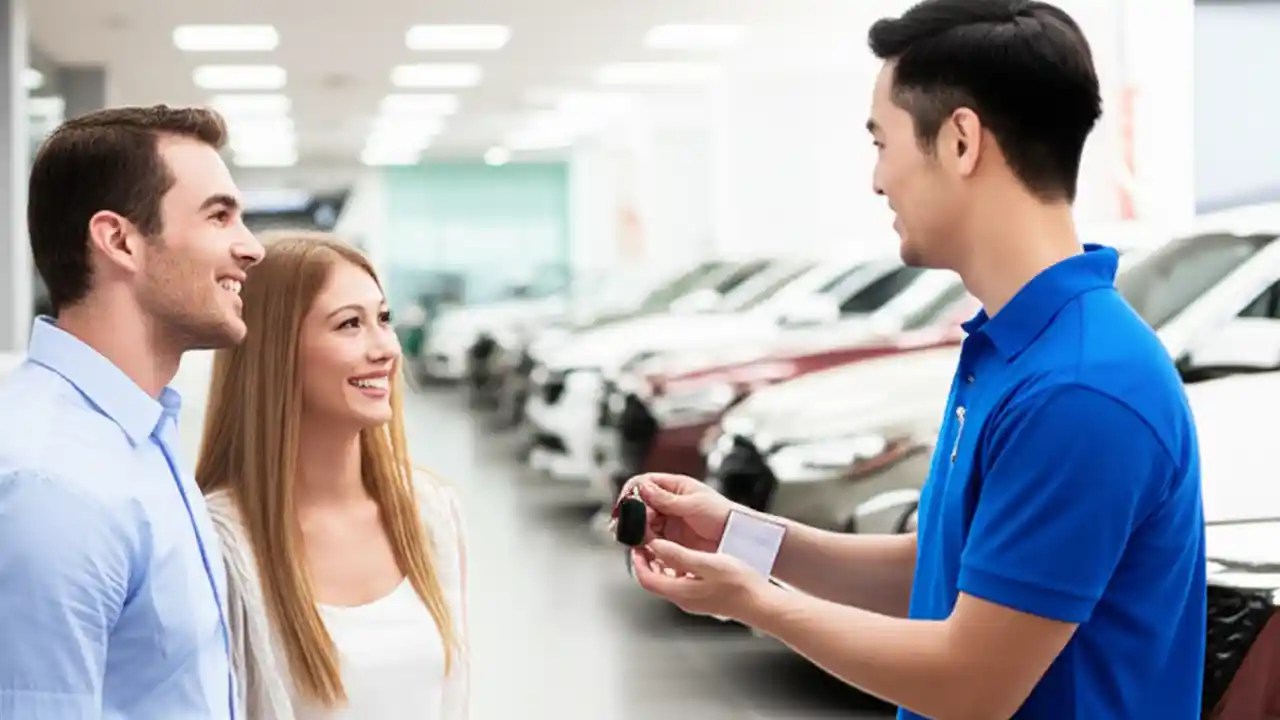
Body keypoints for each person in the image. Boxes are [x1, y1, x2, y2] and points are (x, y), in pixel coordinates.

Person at [617, 1, 1205, 718]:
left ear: (960, 141)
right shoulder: (1014, 349)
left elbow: (973, 683)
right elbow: (940, 569)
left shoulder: (1082, 388)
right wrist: (740, 537)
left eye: (881, 142)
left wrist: (754, 603)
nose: (876, 180)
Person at [0, 105, 264, 717]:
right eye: (219, 216)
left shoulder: (140, 440)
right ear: (119, 240)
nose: (250, 248)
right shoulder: (51, 484)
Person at [196, 232, 470, 720]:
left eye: (383, 319)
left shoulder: (429, 512)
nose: (385, 347)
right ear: (277, 353)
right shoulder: (219, 544)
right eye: (350, 324)